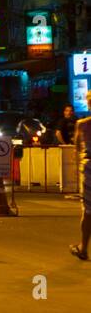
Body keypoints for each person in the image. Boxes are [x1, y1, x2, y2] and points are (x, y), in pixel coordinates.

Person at [71, 90, 91, 260]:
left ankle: (84, 247)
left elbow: (77, 148)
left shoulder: (82, 124)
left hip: (89, 168)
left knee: (88, 211)